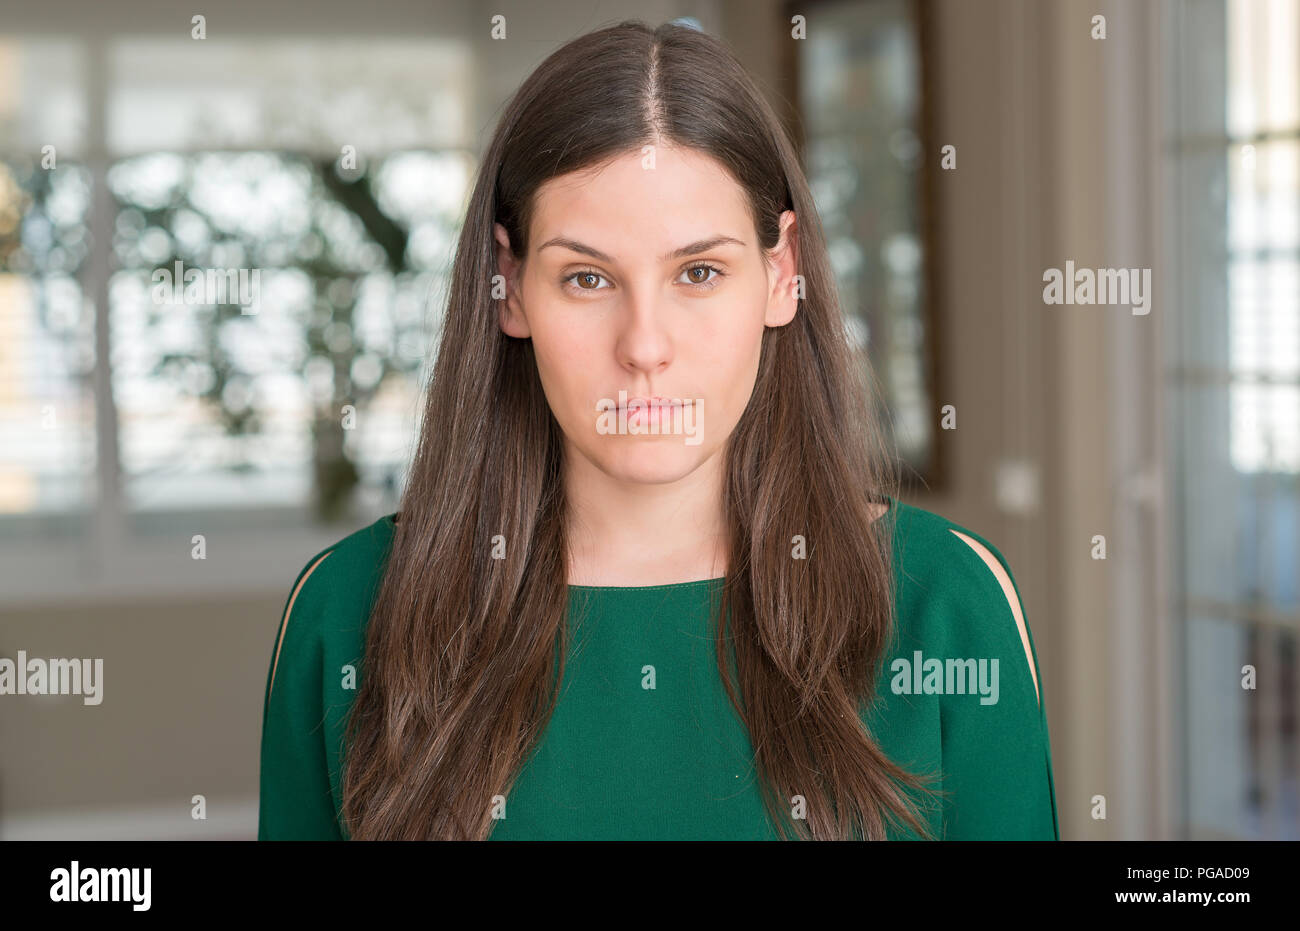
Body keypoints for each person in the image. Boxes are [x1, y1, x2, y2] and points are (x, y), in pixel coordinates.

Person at [259, 19, 1058, 841]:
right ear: (511, 287)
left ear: (782, 274)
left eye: (699, 272)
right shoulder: (346, 614)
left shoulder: (947, 607)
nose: (644, 345)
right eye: (587, 277)